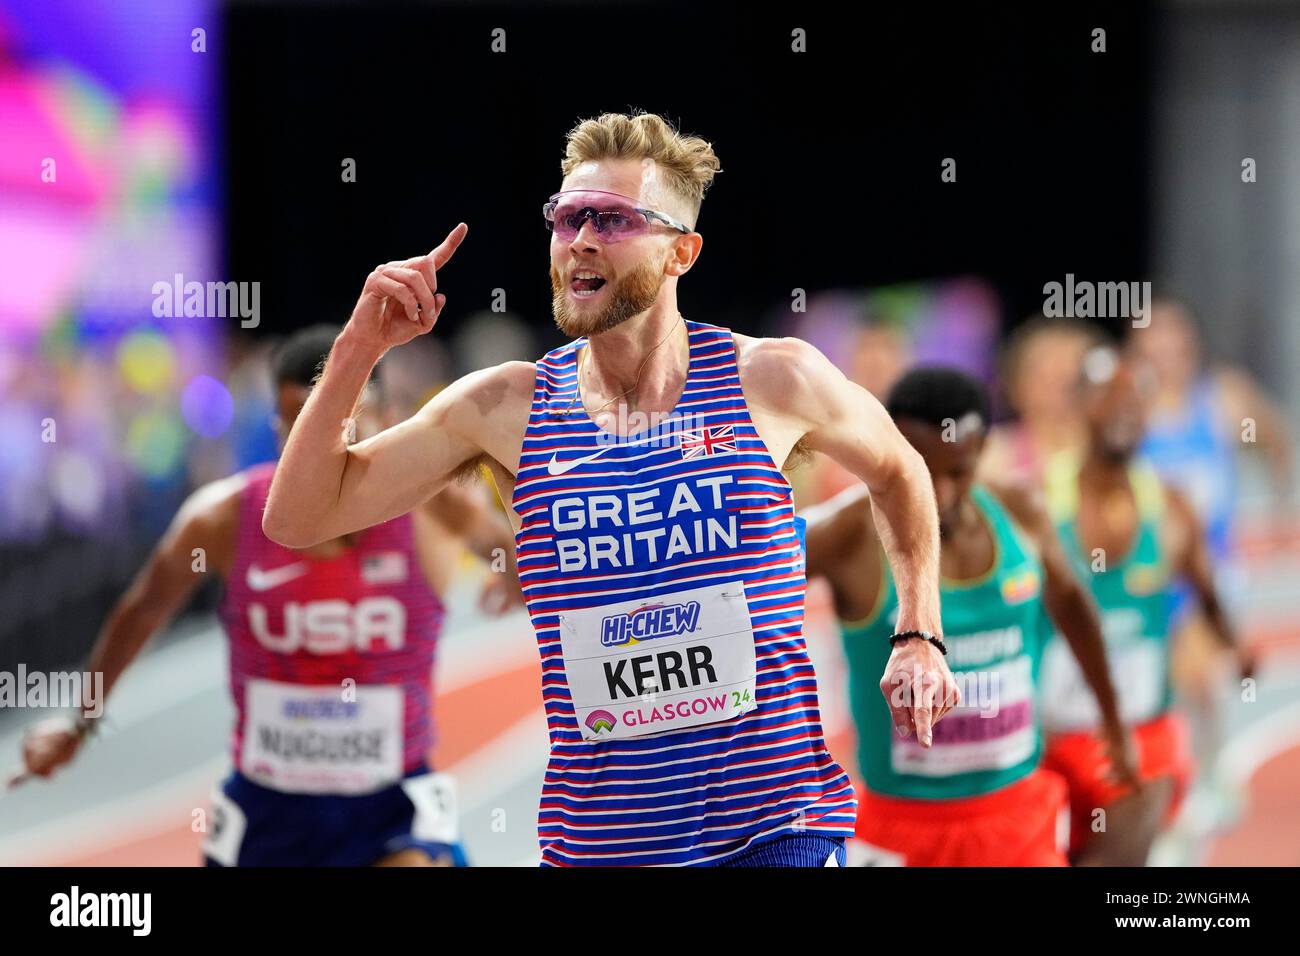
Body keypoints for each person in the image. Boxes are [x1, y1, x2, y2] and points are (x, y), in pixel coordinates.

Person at [262, 110, 958, 867]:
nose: (580, 238)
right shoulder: (503, 408)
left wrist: (919, 632)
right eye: (567, 217)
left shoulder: (773, 379)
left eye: (613, 219)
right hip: (599, 845)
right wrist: (360, 346)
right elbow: (300, 516)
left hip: (775, 827)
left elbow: (900, 470)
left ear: (680, 253)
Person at [18, 325, 521, 866]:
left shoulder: (435, 509)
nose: (331, 441)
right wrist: (80, 724)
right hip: (267, 806)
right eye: (306, 425)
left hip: (392, 803)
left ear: (386, 417)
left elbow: (514, 546)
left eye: (348, 420)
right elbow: (143, 610)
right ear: (283, 428)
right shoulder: (222, 517)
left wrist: (510, 577)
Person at [804, 366, 1136, 866]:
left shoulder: (1021, 514)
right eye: (920, 469)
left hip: (1017, 816)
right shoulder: (844, 533)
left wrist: (1113, 719)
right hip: (900, 827)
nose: (940, 496)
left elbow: (1072, 606)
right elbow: (742, 571)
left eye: (958, 472)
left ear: (982, 451)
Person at [1038, 344, 1257, 865]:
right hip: (1047, 742)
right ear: (1076, 406)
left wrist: (1234, 645)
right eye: (1107, 397)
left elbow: (1208, 595)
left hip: (1141, 737)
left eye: (1136, 400)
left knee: (1127, 836)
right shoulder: (1037, 504)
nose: (1123, 411)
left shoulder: (1171, 506)